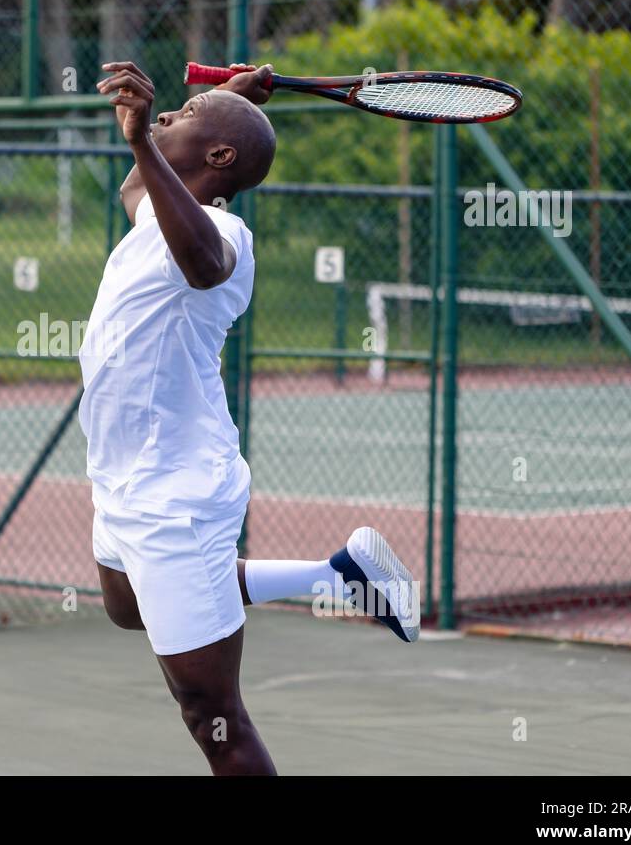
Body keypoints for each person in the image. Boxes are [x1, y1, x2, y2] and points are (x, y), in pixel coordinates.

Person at [77, 61, 420, 776]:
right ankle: (339, 578)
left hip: (177, 494)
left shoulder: (224, 237)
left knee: (213, 718)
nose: (166, 114)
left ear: (220, 159)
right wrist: (225, 99)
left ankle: (338, 581)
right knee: (125, 605)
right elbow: (136, 187)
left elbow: (201, 261)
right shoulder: (158, 213)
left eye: (184, 115)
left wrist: (148, 138)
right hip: (121, 480)